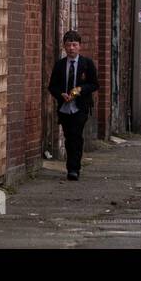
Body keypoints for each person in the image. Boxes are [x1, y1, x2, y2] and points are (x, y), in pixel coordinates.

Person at [47, 30, 99, 180]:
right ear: (64, 46)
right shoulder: (59, 65)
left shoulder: (87, 64)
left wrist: (81, 89)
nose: (71, 48)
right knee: (69, 137)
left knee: (76, 135)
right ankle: (72, 165)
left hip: (80, 106)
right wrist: (61, 94)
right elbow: (52, 86)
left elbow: (94, 84)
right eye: (68, 45)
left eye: (74, 45)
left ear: (79, 47)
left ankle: (73, 169)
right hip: (65, 107)